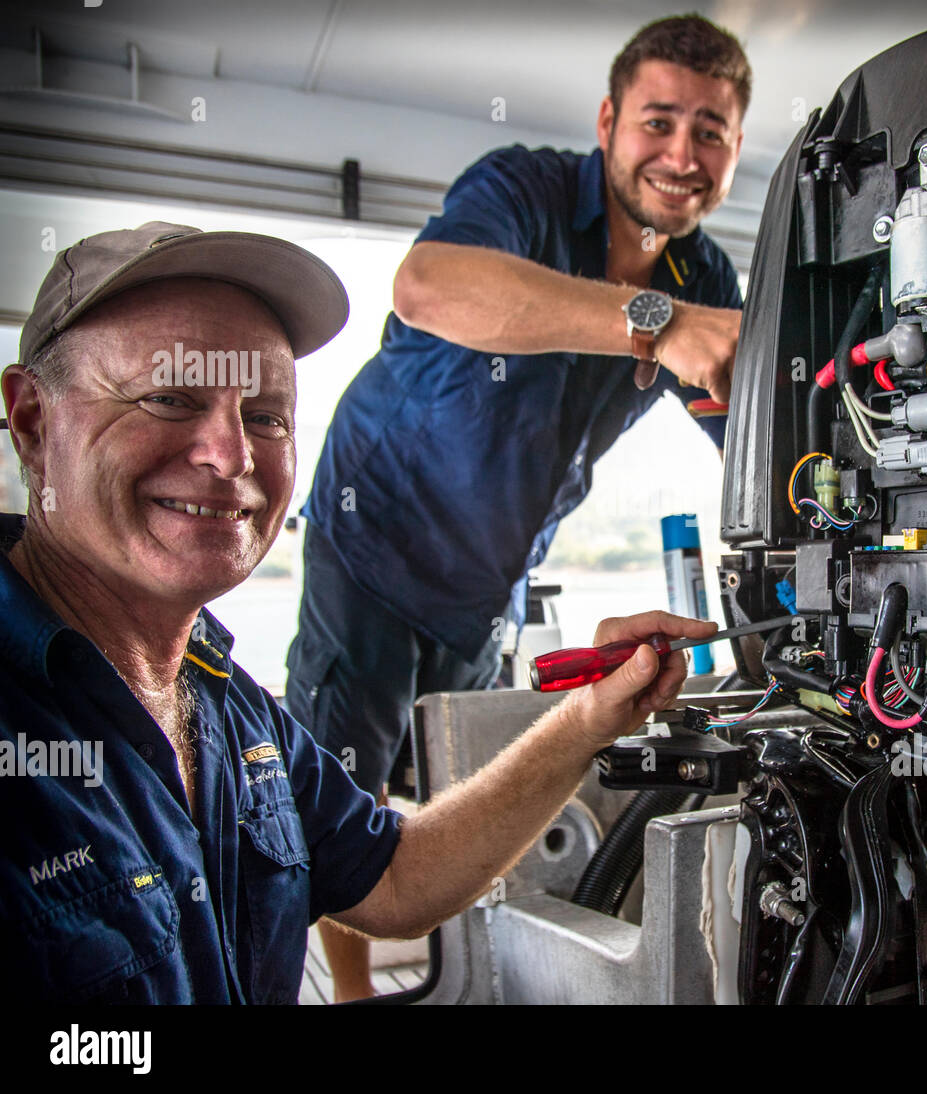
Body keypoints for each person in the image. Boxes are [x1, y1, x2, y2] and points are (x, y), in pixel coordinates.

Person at [0, 221, 717, 1004]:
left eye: (266, 416)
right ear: (33, 422)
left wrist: (588, 718)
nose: (232, 454)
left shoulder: (231, 709)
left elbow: (397, 878)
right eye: (170, 397)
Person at [284, 14, 751, 997]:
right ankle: (356, 991)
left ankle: (456, 974)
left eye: (710, 130)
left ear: (737, 149)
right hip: (373, 531)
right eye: (658, 121)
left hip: (490, 567)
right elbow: (427, 286)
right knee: (343, 786)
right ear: (607, 121)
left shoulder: (701, 275)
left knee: (466, 783)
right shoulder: (523, 188)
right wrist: (655, 324)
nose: (681, 153)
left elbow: (749, 434)